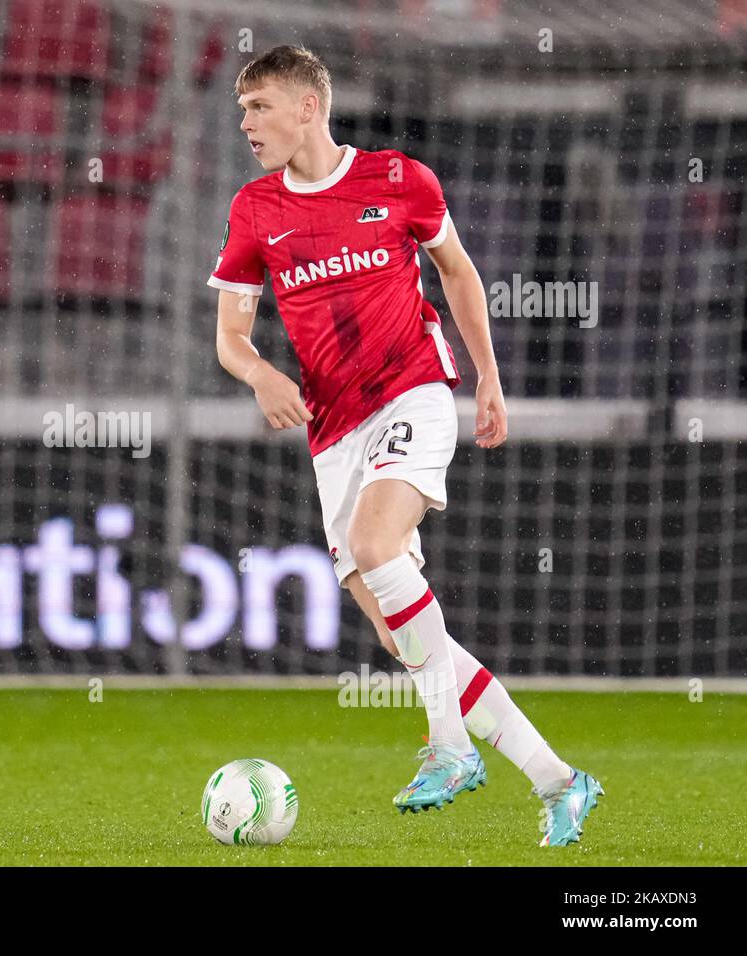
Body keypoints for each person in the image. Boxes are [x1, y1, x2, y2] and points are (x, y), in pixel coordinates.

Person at [211, 45, 599, 845]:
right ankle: (561, 779)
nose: (246, 122)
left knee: (374, 542)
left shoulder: (398, 180)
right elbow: (230, 337)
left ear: (307, 107)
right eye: (243, 110)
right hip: (332, 428)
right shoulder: (254, 210)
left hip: (414, 390)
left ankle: (448, 747)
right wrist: (260, 376)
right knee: (406, 637)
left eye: (259, 106)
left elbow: (457, 271)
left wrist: (489, 377)